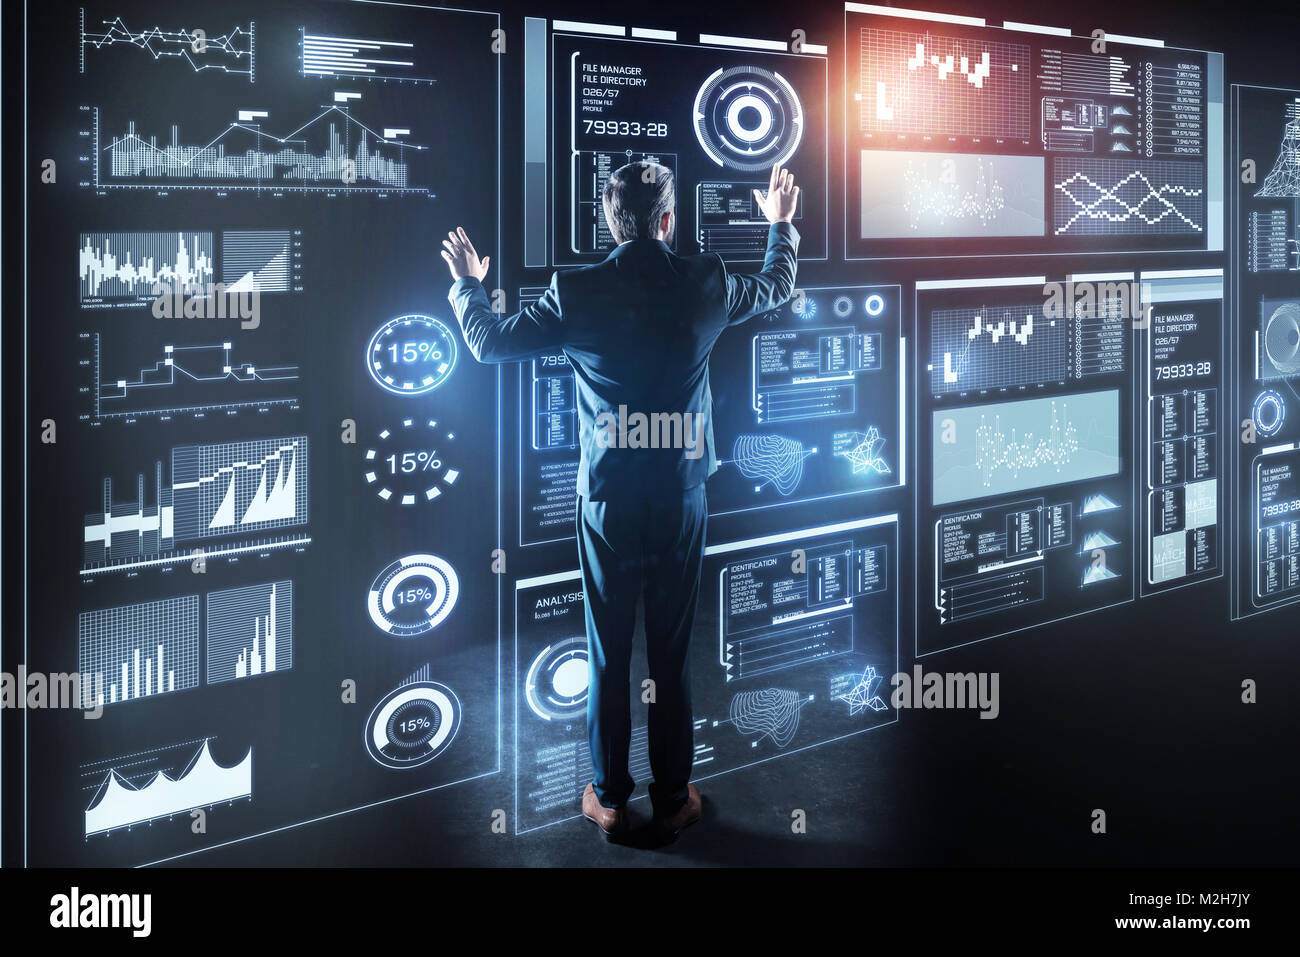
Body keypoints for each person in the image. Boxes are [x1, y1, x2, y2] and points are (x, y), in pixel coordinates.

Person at [442, 161, 800, 841]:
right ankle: (672, 797)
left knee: (607, 652)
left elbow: (488, 343)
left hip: (605, 500)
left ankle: (608, 797)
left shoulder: (575, 291)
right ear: (669, 222)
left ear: (609, 223)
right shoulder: (705, 281)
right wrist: (779, 221)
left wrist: (469, 283)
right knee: (669, 653)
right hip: (680, 495)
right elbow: (780, 281)